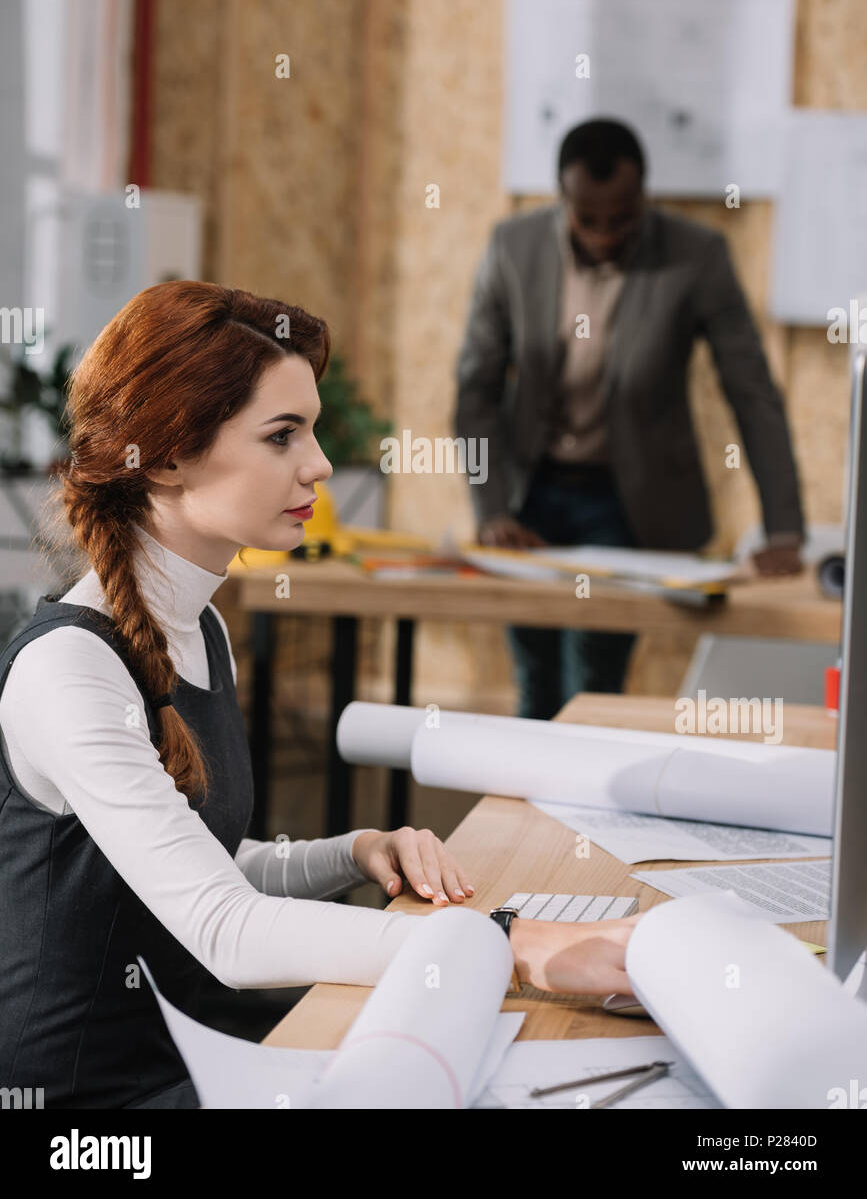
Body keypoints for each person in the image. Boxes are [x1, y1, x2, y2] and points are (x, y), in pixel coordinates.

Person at [0, 281, 640, 1109]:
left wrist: (351, 853)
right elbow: (225, 929)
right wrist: (513, 943)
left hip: (190, 1054)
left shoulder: (201, 630)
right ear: (163, 456)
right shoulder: (70, 670)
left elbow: (197, 866)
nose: (320, 464)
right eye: (281, 435)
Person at [455, 118, 806, 720]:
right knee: (534, 670)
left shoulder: (697, 256)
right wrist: (491, 511)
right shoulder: (513, 248)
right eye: (587, 220)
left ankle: (579, 807)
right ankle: (530, 806)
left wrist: (783, 527)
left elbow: (751, 391)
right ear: (562, 199)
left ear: (643, 195)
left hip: (626, 497)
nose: (605, 236)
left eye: (622, 219)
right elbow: (476, 389)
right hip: (529, 490)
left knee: (594, 675)